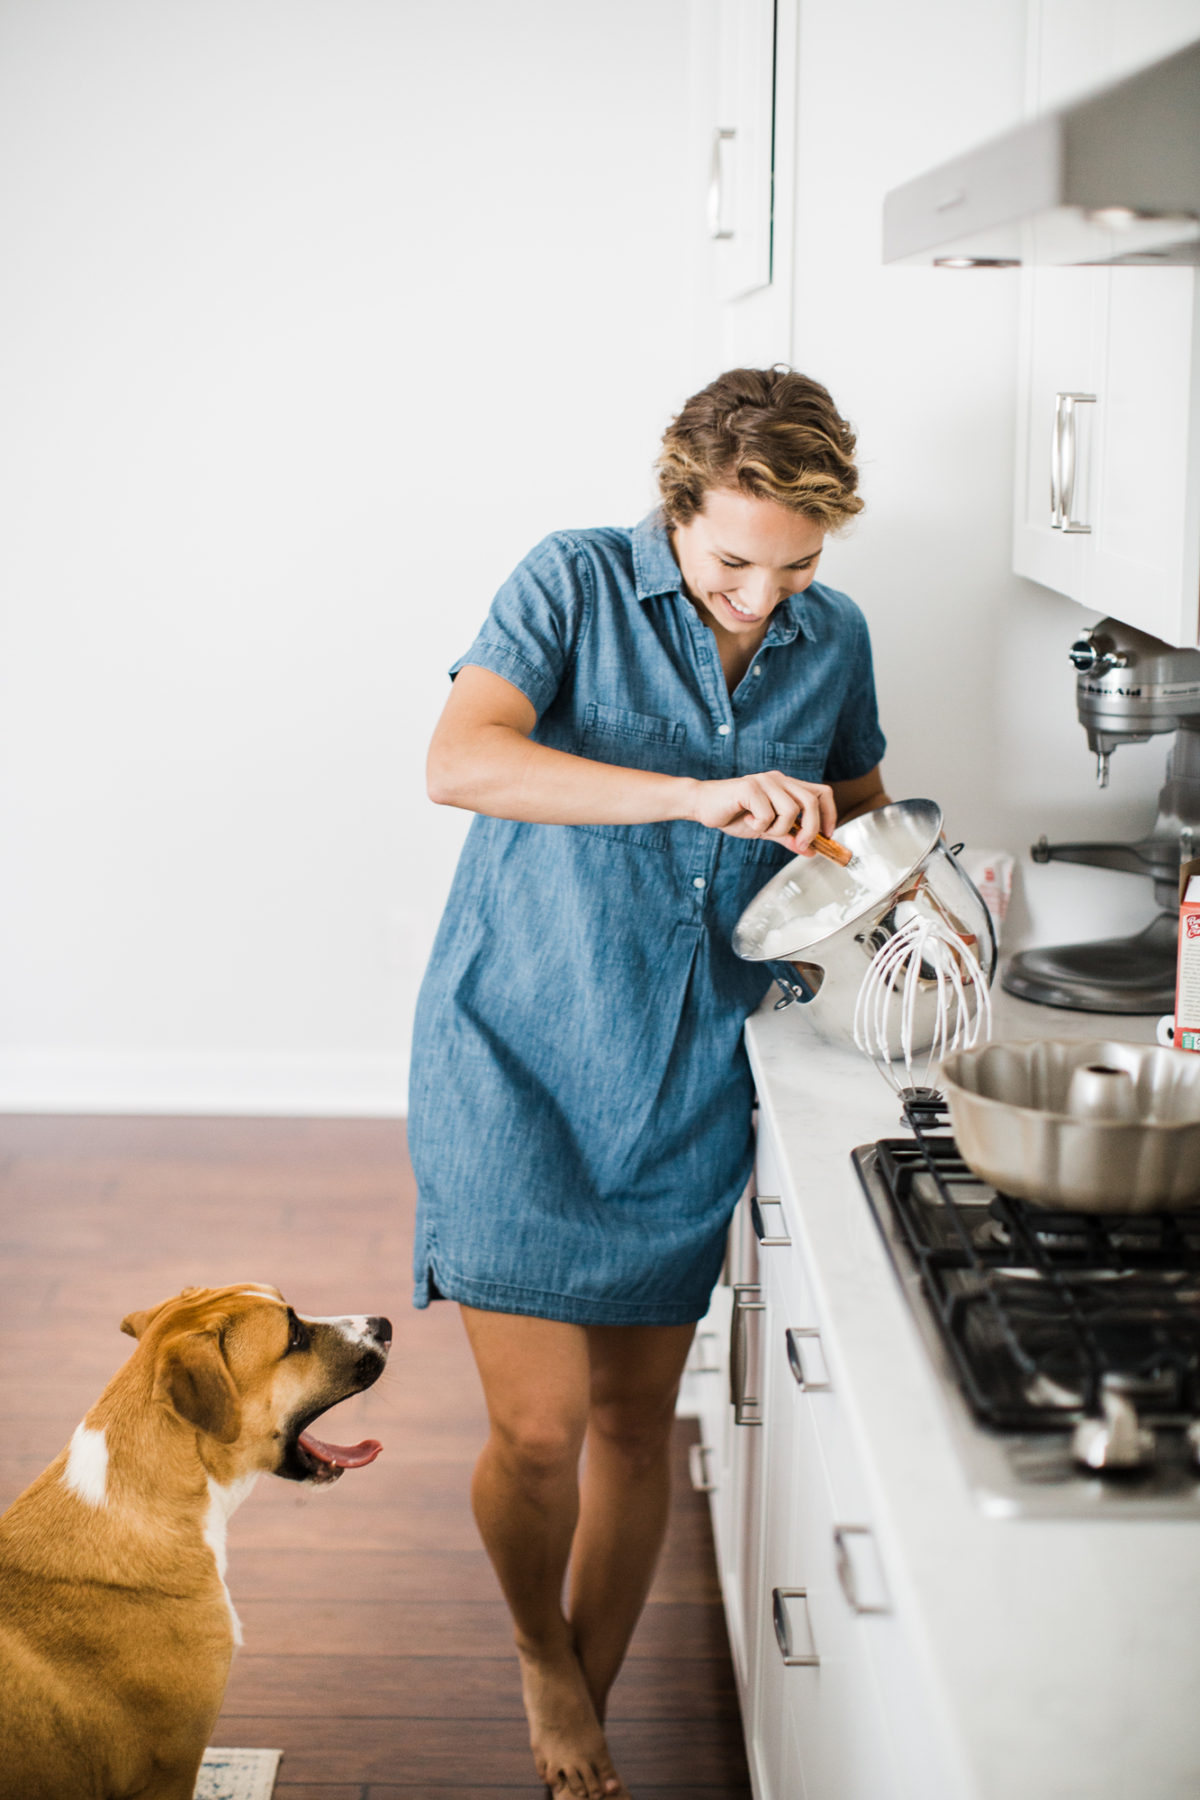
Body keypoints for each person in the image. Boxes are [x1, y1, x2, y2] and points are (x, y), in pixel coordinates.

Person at [408, 366, 891, 1799]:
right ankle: (537, 1651)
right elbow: (462, 760)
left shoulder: (832, 634)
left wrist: (860, 855)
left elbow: (865, 818)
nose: (762, 594)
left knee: (635, 1425)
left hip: (689, 1068)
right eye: (734, 558)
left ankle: (588, 1692)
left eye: (795, 565)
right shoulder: (569, 582)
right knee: (540, 1430)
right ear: (677, 509)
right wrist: (692, 792)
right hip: (517, 1050)